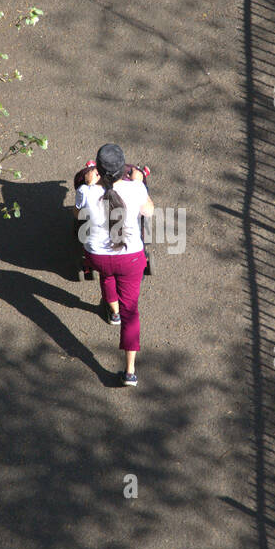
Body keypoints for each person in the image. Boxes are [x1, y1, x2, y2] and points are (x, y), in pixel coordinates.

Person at [74, 143, 153, 386]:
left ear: (97, 168)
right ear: (123, 170)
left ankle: (113, 313)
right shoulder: (136, 187)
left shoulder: (87, 191)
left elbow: (78, 216)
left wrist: (87, 185)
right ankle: (130, 371)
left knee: (107, 276)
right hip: (130, 259)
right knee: (133, 312)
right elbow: (148, 211)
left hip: (97, 256)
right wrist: (139, 182)